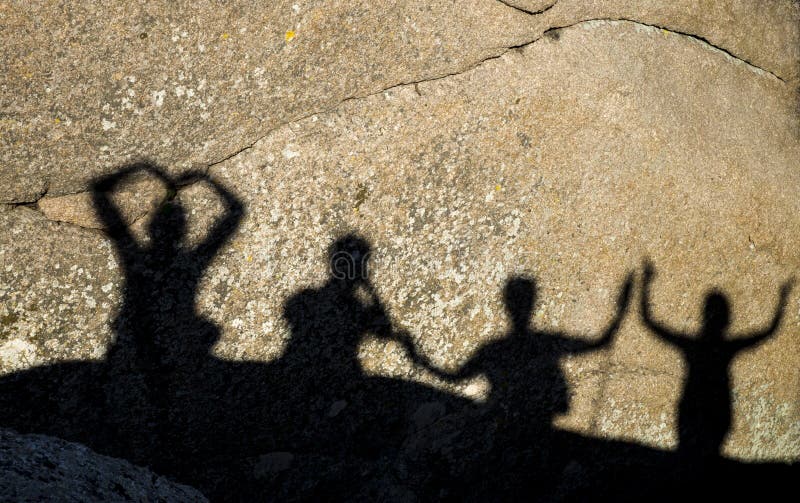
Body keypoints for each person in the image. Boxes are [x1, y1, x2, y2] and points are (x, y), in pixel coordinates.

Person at [640, 261, 792, 463]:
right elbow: (768, 331)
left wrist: (644, 284)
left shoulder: (693, 346)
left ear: (704, 316)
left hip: (693, 411)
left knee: (689, 461)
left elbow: (649, 322)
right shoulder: (725, 348)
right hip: (717, 413)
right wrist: (783, 299)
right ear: (727, 320)